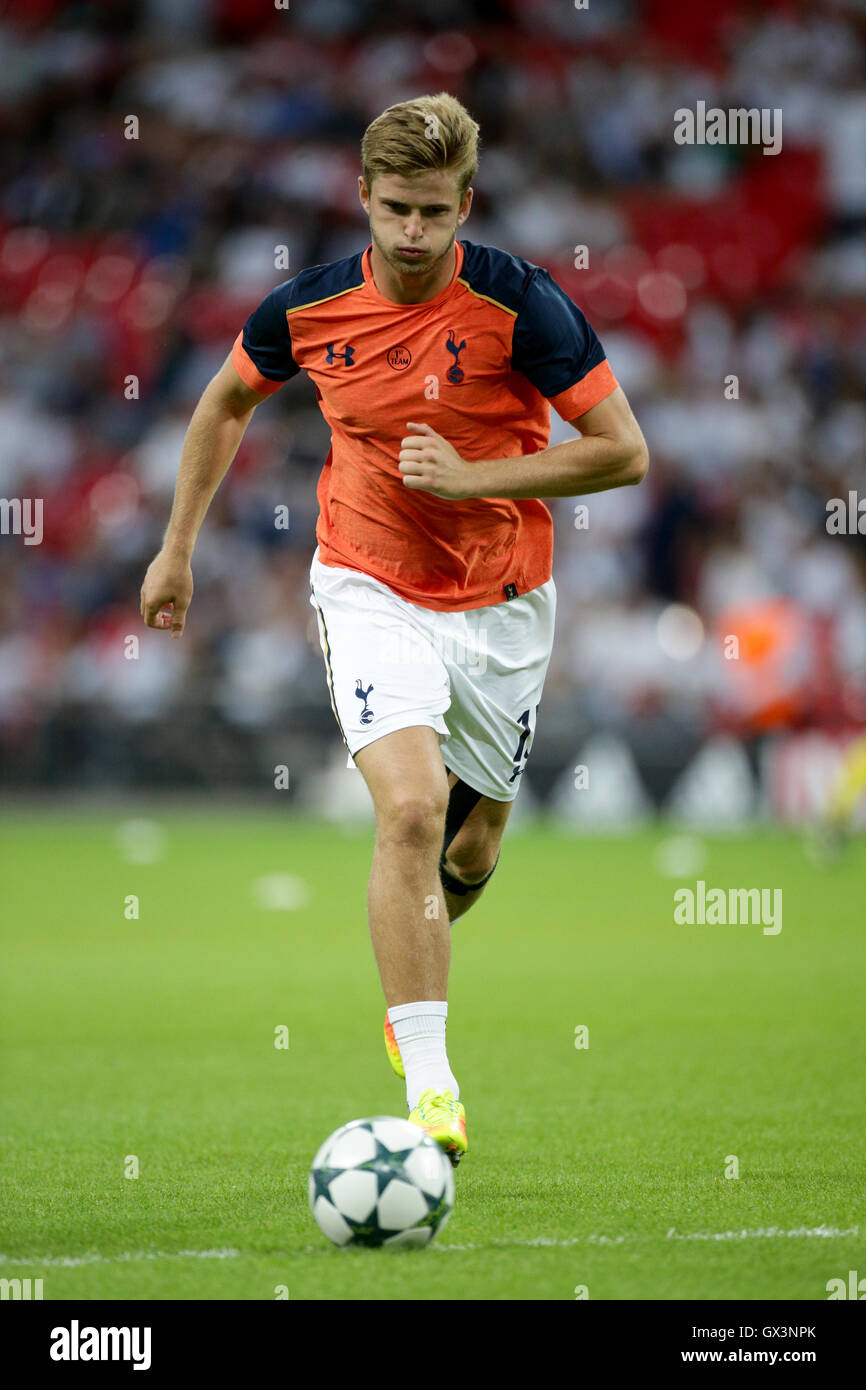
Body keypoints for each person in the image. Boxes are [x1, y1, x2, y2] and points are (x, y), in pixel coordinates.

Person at [141, 92, 649, 1165]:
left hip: (504, 604)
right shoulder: (306, 309)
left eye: (432, 211)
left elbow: (621, 451)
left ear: (464, 203)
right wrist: (177, 545)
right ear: (360, 198)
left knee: (470, 847)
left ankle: (407, 958)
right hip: (366, 584)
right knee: (411, 813)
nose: (412, 233)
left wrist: (476, 478)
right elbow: (223, 403)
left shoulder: (523, 305)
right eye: (393, 209)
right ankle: (431, 1086)